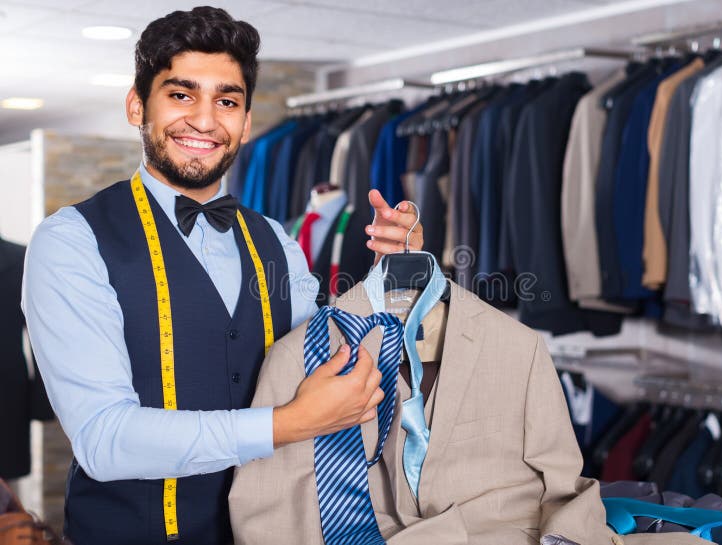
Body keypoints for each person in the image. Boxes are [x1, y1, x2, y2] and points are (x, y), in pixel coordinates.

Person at [21, 7, 423, 545]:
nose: (206, 120)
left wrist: (392, 276)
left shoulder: (275, 241)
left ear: (246, 122)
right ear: (137, 105)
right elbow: (103, 438)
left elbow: (327, 360)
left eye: (227, 101)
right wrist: (288, 424)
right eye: (181, 95)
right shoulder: (72, 240)